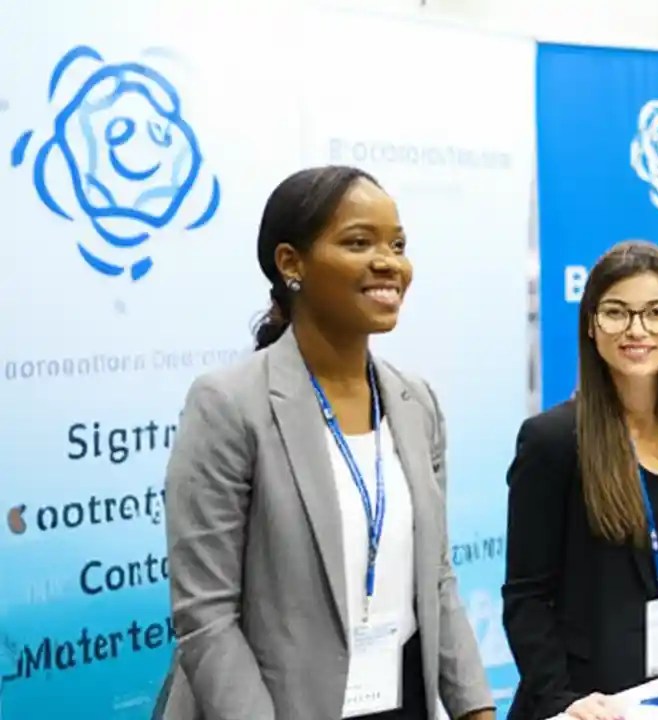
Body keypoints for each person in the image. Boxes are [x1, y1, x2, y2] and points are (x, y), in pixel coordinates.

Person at [157, 166, 495, 720]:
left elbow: (436, 579)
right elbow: (207, 617)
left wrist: (475, 710)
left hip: (401, 700)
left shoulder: (417, 403)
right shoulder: (229, 404)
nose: (389, 262)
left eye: (398, 244)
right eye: (359, 242)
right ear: (291, 263)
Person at [503, 241, 658, 720]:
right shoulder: (552, 441)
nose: (637, 329)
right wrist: (561, 699)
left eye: (656, 312)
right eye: (617, 312)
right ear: (591, 324)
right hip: (593, 704)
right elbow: (526, 596)